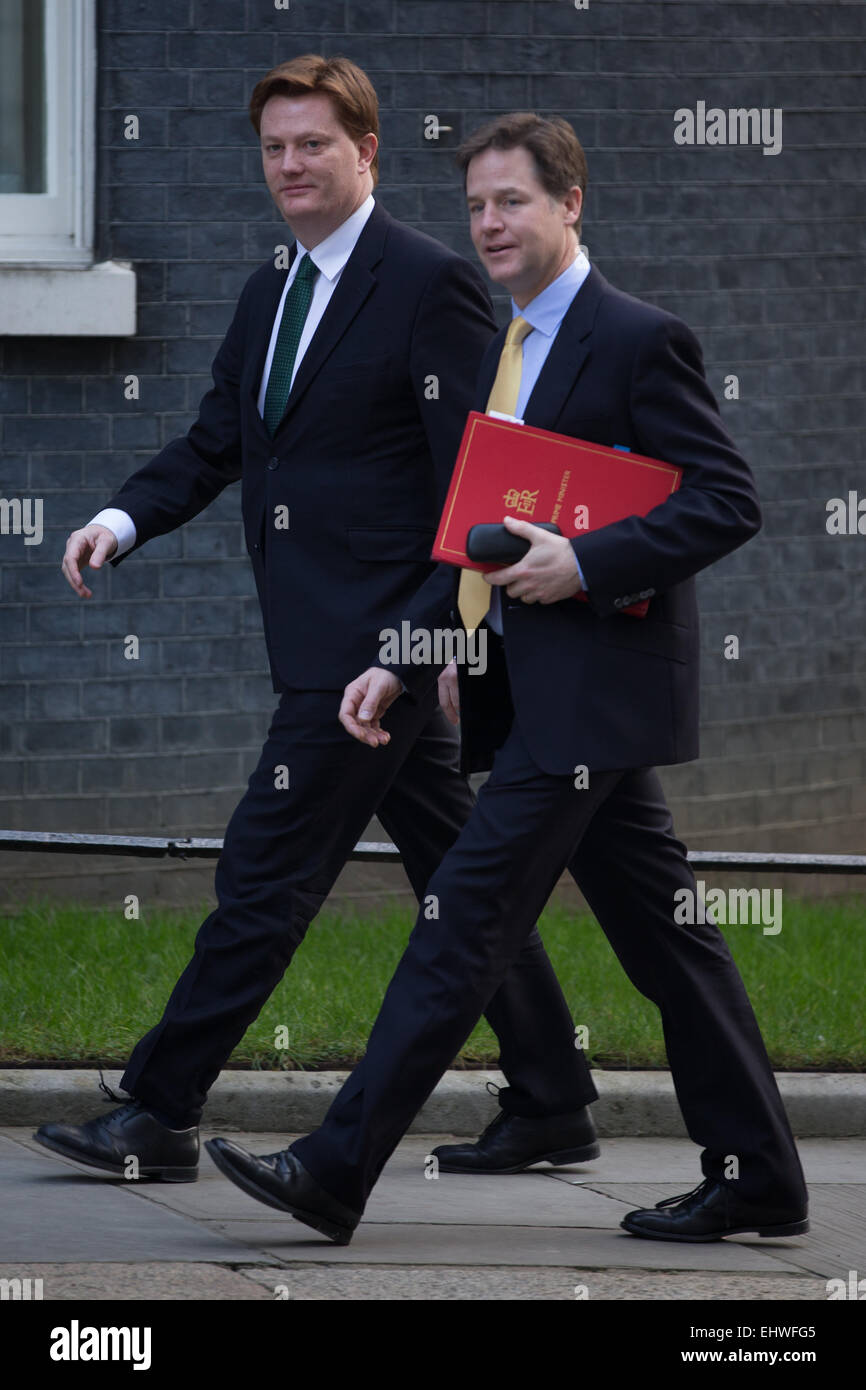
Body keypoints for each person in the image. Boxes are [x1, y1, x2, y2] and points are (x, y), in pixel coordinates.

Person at [206, 112, 809, 1247]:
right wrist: (403, 655)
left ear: (568, 203)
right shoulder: (507, 351)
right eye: (475, 204)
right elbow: (484, 539)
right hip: (547, 699)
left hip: (591, 699)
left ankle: (333, 1169)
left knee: (459, 919)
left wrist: (582, 560)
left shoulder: (634, 337)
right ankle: (760, 1177)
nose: (487, 223)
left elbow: (724, 500)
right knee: (672, 939)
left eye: (512, 201)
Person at [34, 64, 602, 1183]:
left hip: (374, 651)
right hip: (321, 640)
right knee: (463, 871)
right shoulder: (273, 287)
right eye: (274, 148)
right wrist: (119, 517)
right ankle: (550, 1094)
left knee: (264, 872)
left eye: (312, 145)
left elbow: (474, 491)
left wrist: (432, 639)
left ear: (366, 152)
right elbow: (214, 441)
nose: (290, 166)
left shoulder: (428, 284)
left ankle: (158, 1106)